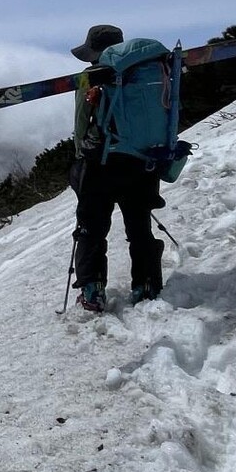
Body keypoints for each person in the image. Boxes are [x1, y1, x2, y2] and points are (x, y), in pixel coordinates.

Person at [68, 24, 165, 313]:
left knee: (92, 228)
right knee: (139, 226)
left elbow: (81, 123)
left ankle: (92, 290)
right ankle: (146, 284)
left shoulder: (91, 78)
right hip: (143, 159)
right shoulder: (151, 71)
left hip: (102, 163)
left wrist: (80, 160)